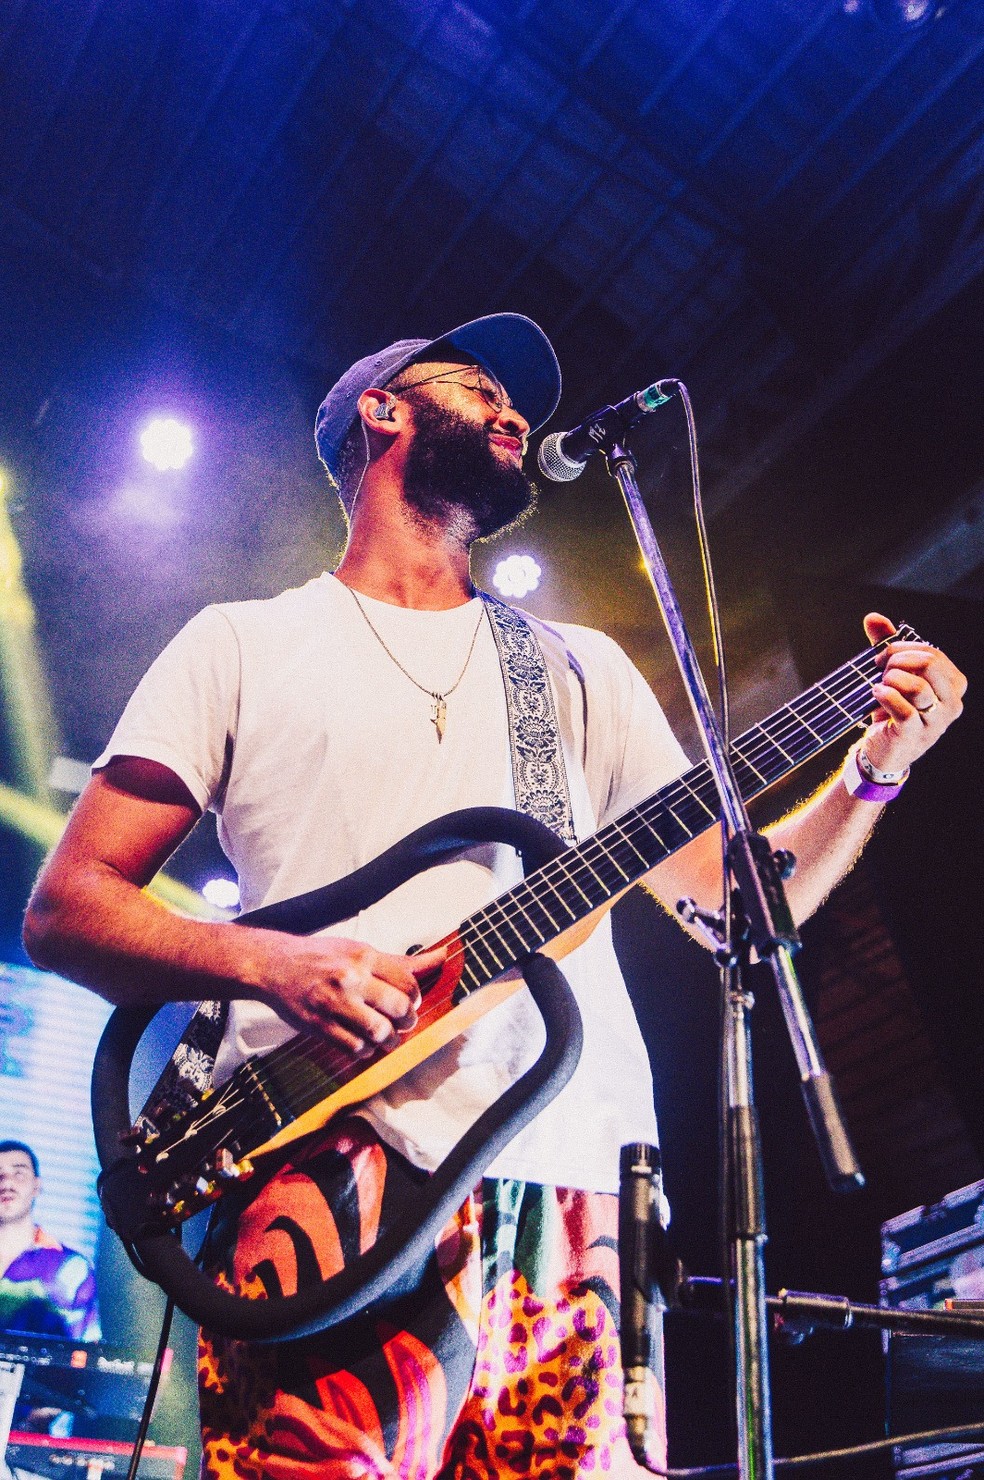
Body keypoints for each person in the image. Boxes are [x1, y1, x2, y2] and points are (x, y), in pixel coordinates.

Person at [22, 314, 965, 1479]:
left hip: (575, 1180)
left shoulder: (579, 667)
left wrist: (874, 770)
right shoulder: (243, 645)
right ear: (382, 411)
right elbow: (68, 907)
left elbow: (737, 908)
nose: (518, 410)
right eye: (478, 387)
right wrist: (276, 966)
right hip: (325, 1155)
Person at [0, 1140, 100, 1342]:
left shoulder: (72, 1267)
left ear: (37, 1185)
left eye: (18, 1173)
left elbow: (85, 1353)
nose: (6, 1183)